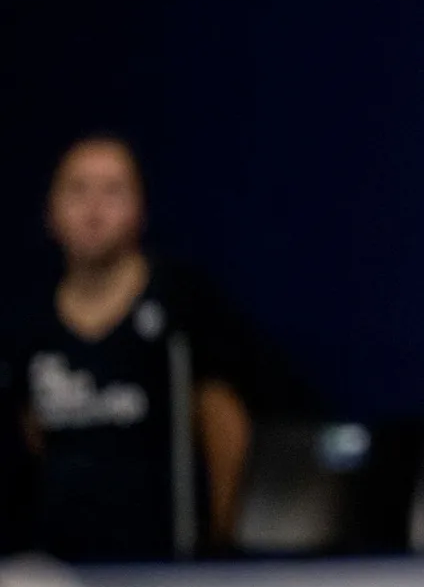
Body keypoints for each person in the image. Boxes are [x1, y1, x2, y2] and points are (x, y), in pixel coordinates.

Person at [2, 135, 251, 562]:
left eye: (113, 191)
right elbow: (32, 437)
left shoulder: (178, 303)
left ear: (140, 210)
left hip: (163, 561)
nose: (94, 210)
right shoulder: (30, 325)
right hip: (62, 566)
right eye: (77, 190)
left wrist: (221, 535)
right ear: (50, 212)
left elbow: (224, 425)